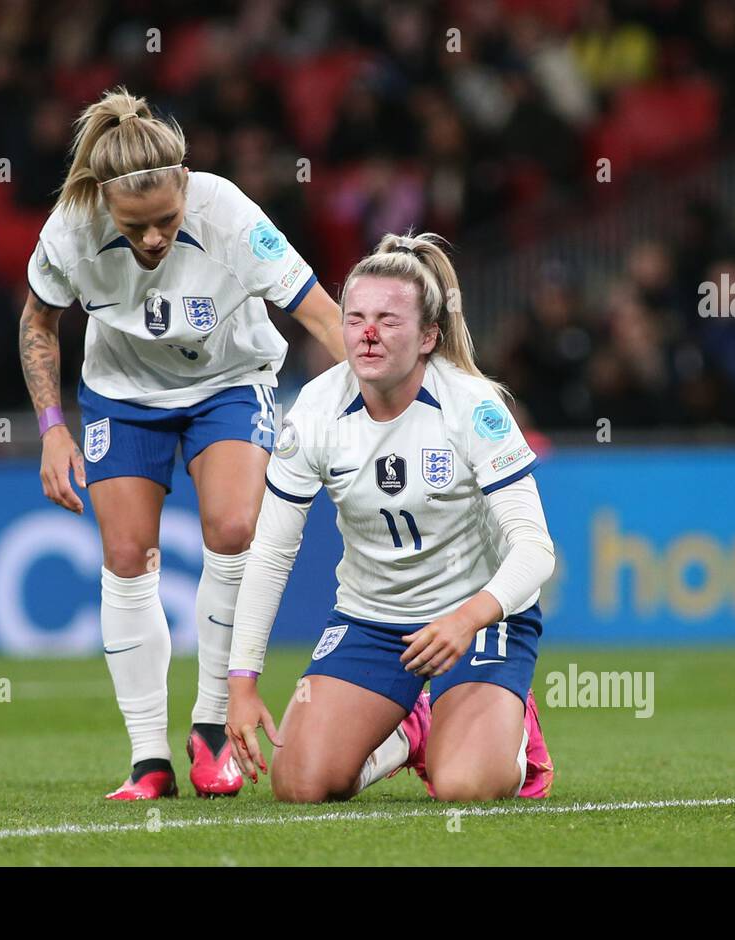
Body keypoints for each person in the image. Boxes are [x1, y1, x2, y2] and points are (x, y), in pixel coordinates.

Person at [18, 87, 345, 799]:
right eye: (136, 227)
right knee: (126, 554)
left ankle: (211, 724)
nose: (155, 239)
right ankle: (147, 761)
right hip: (123, 395)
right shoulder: (70, 227)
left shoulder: (226, 211)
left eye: (166, 220)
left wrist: (392, 397)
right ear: (105, 205)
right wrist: (51, 431)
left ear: (186, 187)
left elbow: (322, 314)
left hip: (230, 382)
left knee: (233, 527)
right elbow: (38, 323)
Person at [226, 232, 557, 802]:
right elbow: (273, 551)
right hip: (372, 620)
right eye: (354, 319)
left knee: (464, 788)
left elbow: (535, 548)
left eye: (387, 319)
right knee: (300, 785)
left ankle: (509, 732)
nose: (368, 334)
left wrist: (467, 619)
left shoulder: (473, 406)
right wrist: (241, 681)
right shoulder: (314, 408)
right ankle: (414, 726)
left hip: (478, 623)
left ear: (429, 335)